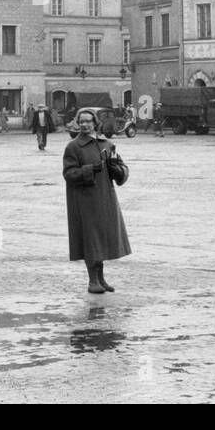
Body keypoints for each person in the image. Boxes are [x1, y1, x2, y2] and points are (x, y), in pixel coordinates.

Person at [62, 109, 131, 295]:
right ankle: (92, 280)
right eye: (81, 121)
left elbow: (122, 169)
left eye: (88, 121)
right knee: (90, 240)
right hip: (84, 201)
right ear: (77, 123)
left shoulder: (107, 144)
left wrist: (118, 170)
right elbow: (68, 174)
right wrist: (90, 169)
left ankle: (101, 278)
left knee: (101, 239)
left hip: (105, 199)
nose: (85, 125)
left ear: (95, 123)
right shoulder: (73, 147)